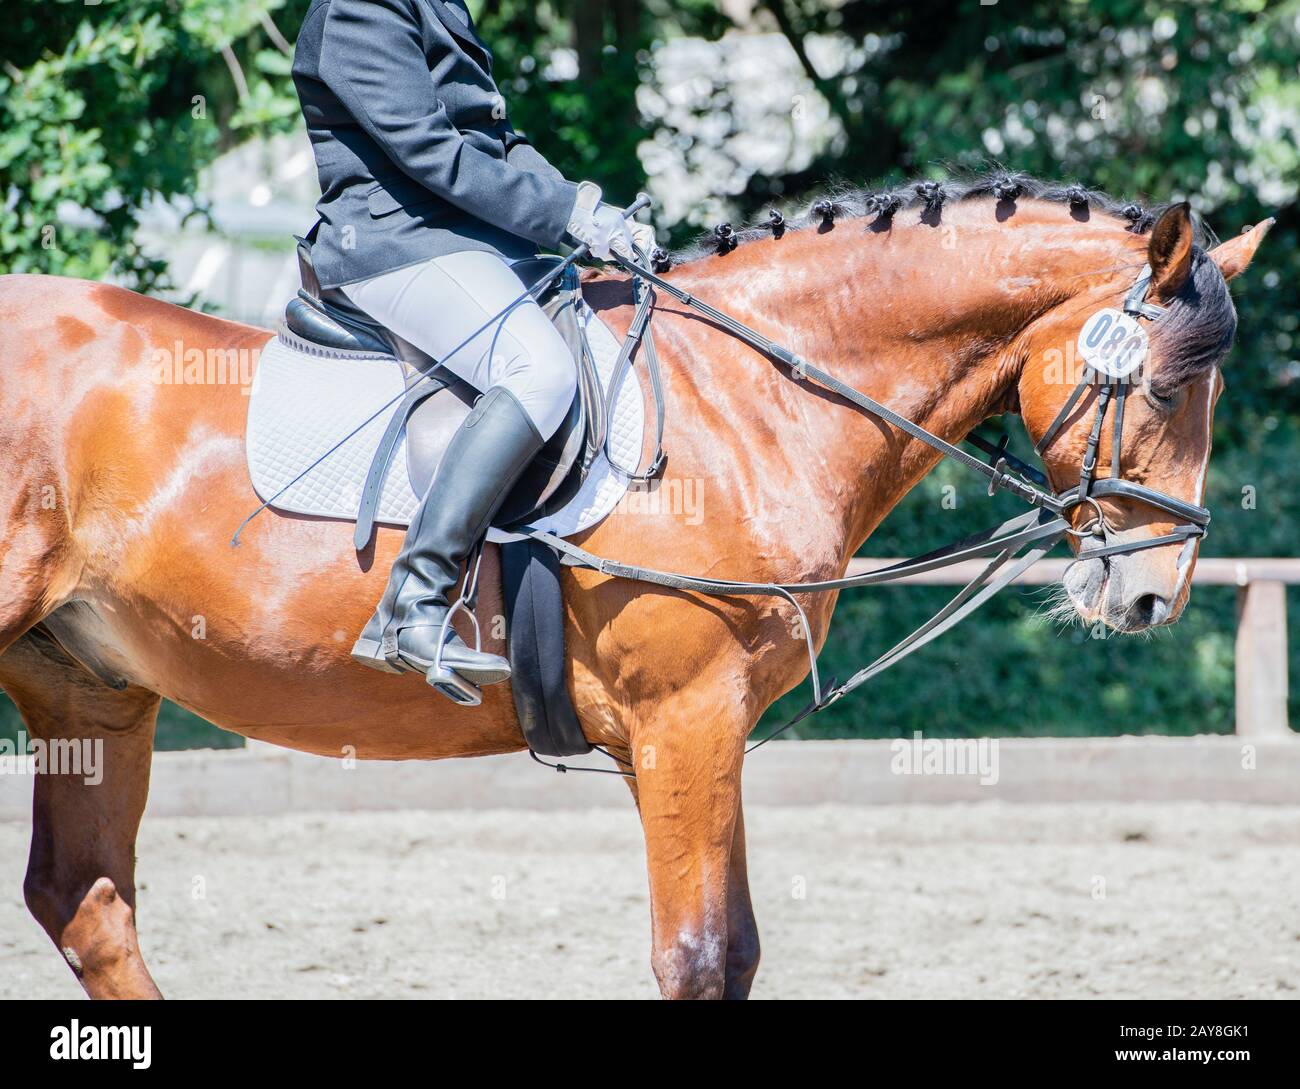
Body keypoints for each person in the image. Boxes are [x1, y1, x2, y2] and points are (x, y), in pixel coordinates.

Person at [292, 0, 648, 696]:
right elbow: (430, 151)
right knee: (538, 369)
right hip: (391, 239)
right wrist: (567, 216)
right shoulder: (357, 9)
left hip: (457, 238)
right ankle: (414, 602)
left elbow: (496, 141)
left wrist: (587, 210)